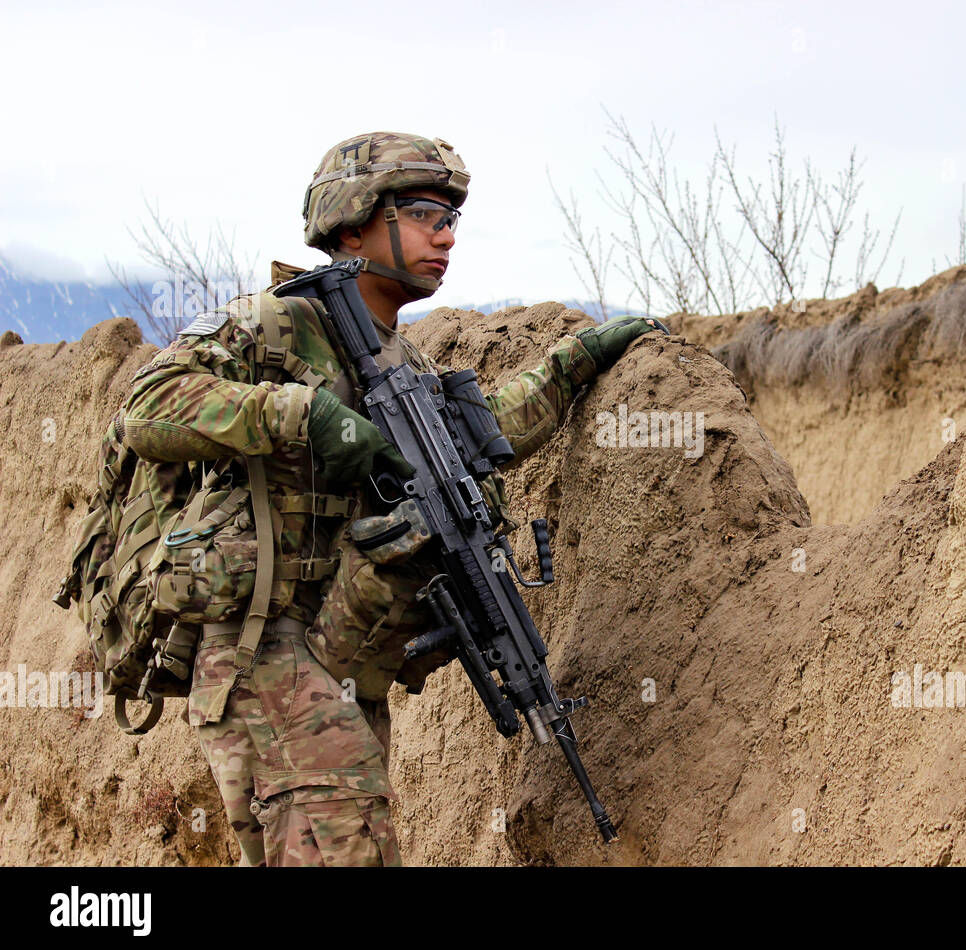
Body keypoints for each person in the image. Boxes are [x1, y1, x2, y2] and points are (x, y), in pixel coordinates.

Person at [121, 131, 664, 866]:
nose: (445, 235)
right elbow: (149, 406)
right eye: (422, 213)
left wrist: (579, 362)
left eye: (452, 220)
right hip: (260, 645)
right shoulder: (274, 322)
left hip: (335, 650)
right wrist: (298, 415)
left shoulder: (396, 354)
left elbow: (481, 435)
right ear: (353, 220)